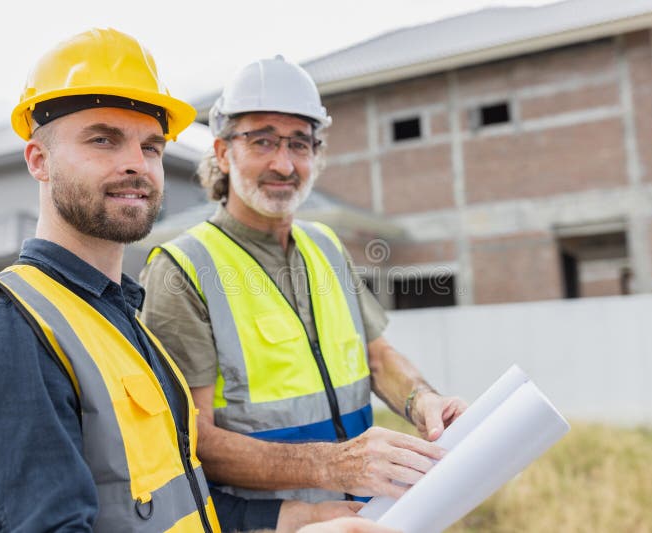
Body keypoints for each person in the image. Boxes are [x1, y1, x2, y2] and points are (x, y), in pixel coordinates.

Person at [139, 55, 468, 527]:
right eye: (263, 141)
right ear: (223, 151)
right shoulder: (183, 269)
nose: (284, 163)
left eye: (299, 143)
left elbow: (377, 357)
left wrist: (423, 402)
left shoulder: (326, 246)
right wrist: (332, 465)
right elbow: (192, 439)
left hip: (364, 514)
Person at [0, 27, 222, 532]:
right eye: (103, 139)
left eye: (151, 147)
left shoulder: (116, 314)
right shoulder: (3, 331)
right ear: (39, 160)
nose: (135, 165)